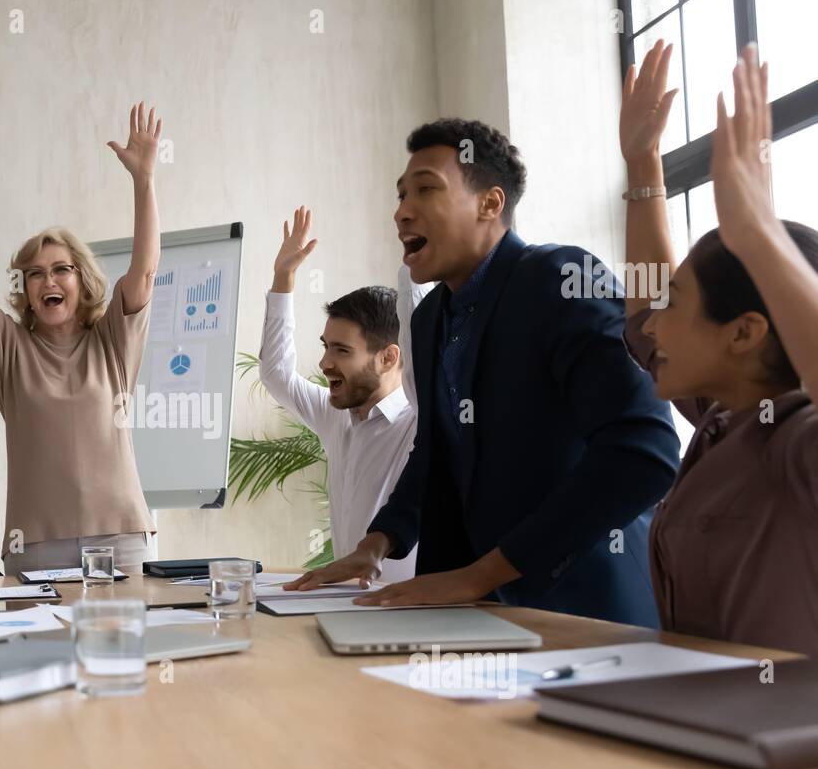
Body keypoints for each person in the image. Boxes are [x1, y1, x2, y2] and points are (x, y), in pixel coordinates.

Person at [289, 118, 681, 627]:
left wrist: (483, 574)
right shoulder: (430, 319)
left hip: (586, 612)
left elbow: (643, 452)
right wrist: (376, 544)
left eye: (426, 189)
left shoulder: (560, 280)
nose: (402, 211)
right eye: (401, 194)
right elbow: (437, 451)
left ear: (490, 203)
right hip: (480, 621)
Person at [620, 40, 818, 654]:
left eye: (677, 306)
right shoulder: (725, 415)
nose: (654, 328)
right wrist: (644, 166)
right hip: (711, 733)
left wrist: (754, 231)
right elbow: (644, 309)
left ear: (743, 332)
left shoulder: (799, 444)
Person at [0, 104, 163, 574]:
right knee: (38, 651)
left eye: (62, 269)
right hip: (37, 544)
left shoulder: (112, 341)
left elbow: (145, 273)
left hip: (122, 538)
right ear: (25, 288)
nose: (49, 280)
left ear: (81, 279)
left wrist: (144, 181)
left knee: (124, 650)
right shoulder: (9, 348)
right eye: (35, 273)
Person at [258, 206, 417, 576]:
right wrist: (283, 278)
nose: (324, 362)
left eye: (341, 350)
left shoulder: (418, 422)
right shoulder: (337, 415)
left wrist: (416, 249)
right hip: (351, 604)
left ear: (390, 357)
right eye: (325, 345)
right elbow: (276, 373)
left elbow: (417, 316)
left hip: (408, 610)